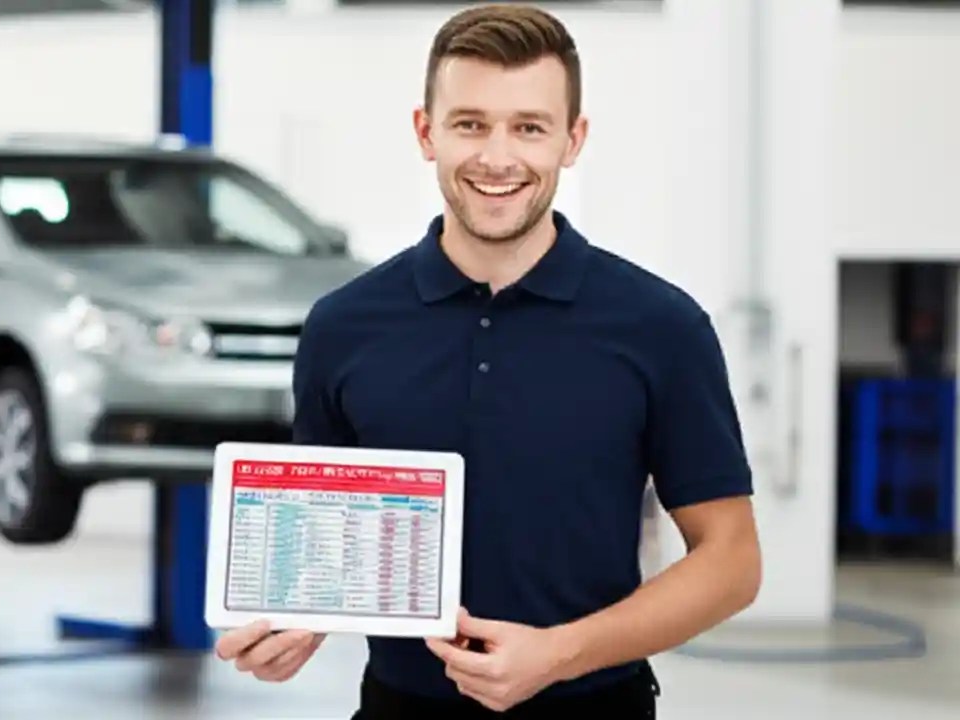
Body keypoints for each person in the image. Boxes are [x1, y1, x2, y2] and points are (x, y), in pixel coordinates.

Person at [213, 4, 762, 717]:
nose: (497, 157)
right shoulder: (343, 327)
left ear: (573, 139)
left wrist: (559, 653)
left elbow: (731, 562)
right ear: (426, 132)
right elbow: (332, 541)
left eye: (529, 127)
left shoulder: (661, 327)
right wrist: (297, 624)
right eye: (470, 123)